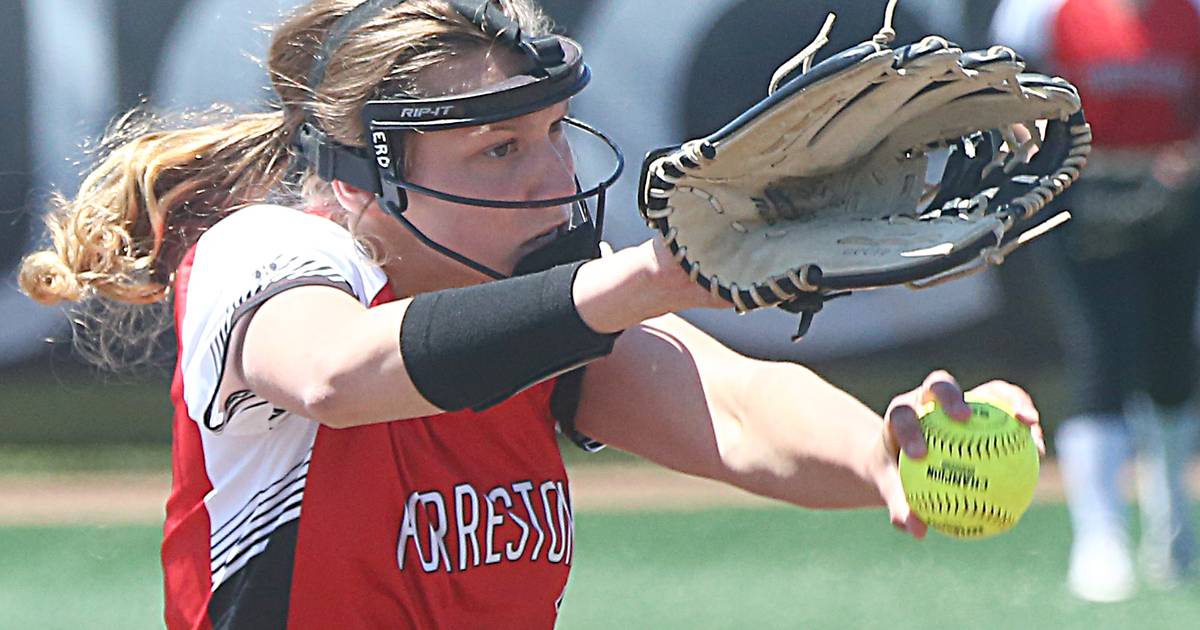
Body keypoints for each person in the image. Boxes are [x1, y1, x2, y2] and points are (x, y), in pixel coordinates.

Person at [20, 1, 1044, 628]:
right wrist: (654, 275)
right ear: (365, 178)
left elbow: (731, 409)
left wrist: (886, 453)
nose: (556, 178)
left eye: (556, 130)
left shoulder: (545, 300)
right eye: (499, 149)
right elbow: (335, 376)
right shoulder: (271, 250)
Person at [991, 0, 1200, 603]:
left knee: (1171, 361)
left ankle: (1173, 518)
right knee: (1101, 353)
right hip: (1080, 197)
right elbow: (1008, 97)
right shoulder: (1039, 10)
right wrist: (1045, 165)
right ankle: (1099, 535)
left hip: (1176, 197)